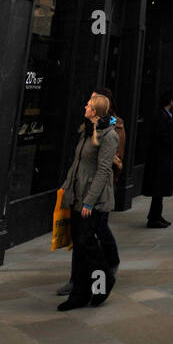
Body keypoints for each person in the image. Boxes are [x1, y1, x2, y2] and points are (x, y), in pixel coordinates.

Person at [56, 86, 123, 299]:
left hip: (94, 198)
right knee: (81, 243)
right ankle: (78, 285)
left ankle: (101, 284)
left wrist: (89, 202)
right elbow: (78, 163)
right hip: (77, 193)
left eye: (90, 103)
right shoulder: (86, 130)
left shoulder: (109, 134)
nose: (86, 104)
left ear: (96, 110)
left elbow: (104, 169)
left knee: (90, 244)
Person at [142, 89, 173, 227]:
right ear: (170, 101)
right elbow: (163, 137)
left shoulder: (163, 115)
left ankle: (156, 215)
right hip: (160, 159)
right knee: (159, 189)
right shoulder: (163, 116)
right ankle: (154, 218)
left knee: (159, 190)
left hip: (161, 158)